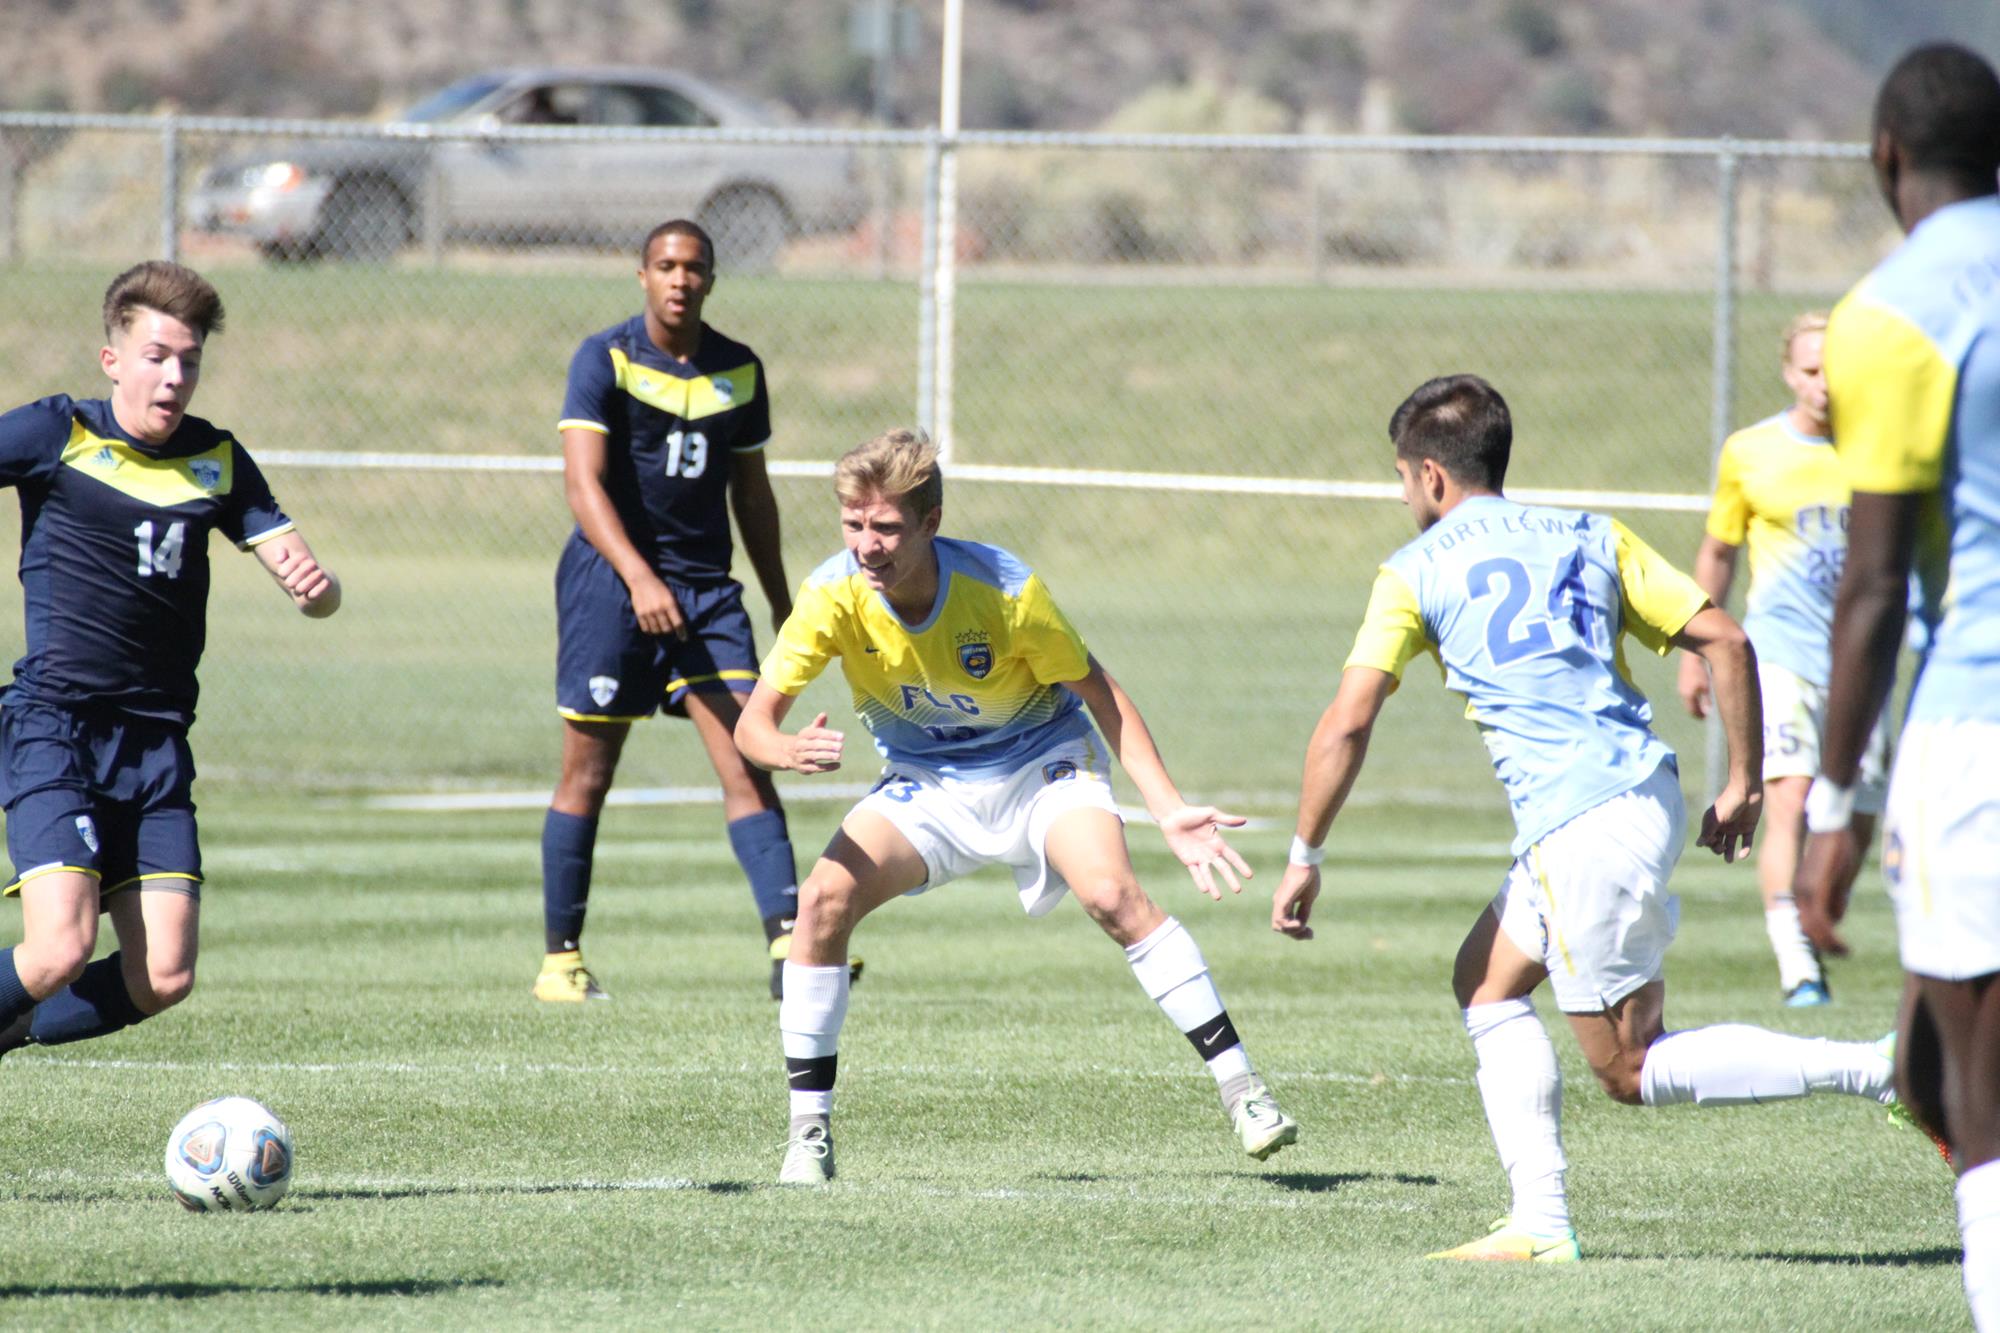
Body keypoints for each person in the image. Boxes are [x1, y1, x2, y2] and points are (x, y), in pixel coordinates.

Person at [1273, 374, 1901, 1263]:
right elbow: (1725, 636)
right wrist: (1745, 780)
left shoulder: (1412, 570)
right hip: (1627, 796)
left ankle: (1878, 1068)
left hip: (1584, 822)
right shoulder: (1591, 532)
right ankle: (1539, 1221)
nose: (1405, 496)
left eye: (1403, 479)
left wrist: (1305, 851)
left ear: (1432, 478)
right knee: (1482, 983)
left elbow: (1348, 718)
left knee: (1630, 1066)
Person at [735, 428, 1297, 1185]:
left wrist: (1165, 807)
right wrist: (787, 749)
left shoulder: (1006, 591)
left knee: (1111, 894)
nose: (867, 545)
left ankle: (1243, 1089)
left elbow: (1100, 691)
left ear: (931, 522)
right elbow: (752, 726)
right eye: (854, 524)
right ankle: (809, 1134)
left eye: (888, 527)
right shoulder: (832, 595)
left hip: (1042, 763)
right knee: (822, 900)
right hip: (928, 781)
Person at [0, 260, 340, 1059]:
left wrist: (314, 588)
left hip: (155, 747)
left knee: (164, 976)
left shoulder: (217, 458)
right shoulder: (61, 434)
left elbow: (312, 582)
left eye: (189, 359)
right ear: (113, 357)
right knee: (57, 949)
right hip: (58, 726)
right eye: (157, 355)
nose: (175, 376)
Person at [1791, 44, 2000, 1330]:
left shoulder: (1893, 308)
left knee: (1969, 1083)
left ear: (1882, 156)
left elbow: (1869, 588)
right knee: (1925, 1066)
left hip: (1973, 714)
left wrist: (1828, 806)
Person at [538, 218, 817, 1003]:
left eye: (694, 267)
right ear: (642, 275)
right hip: (609, 585)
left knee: (748, 755)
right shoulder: (607, 357)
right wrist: (638, 576)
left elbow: (752, 493)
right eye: (665, 264)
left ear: (712, 280)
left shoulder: (739, 369)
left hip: (706, 590)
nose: (679, 278)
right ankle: (561, 960)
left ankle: (790, 947)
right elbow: (583, 485)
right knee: (588, 773)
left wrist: (781, 597)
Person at [1676, 311, 1889, 1006]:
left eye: (1836, 367)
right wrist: (1693, 651)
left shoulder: (1885, 448)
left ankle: (1817, 910)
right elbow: (1719, 551)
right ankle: (1793, 955)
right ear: (1788, 372)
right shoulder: (1751, 452)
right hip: (1781, 652)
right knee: (1789, 791)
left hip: (1865, 660)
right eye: (1809, 368)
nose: (1824, 383)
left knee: (1858, 815)